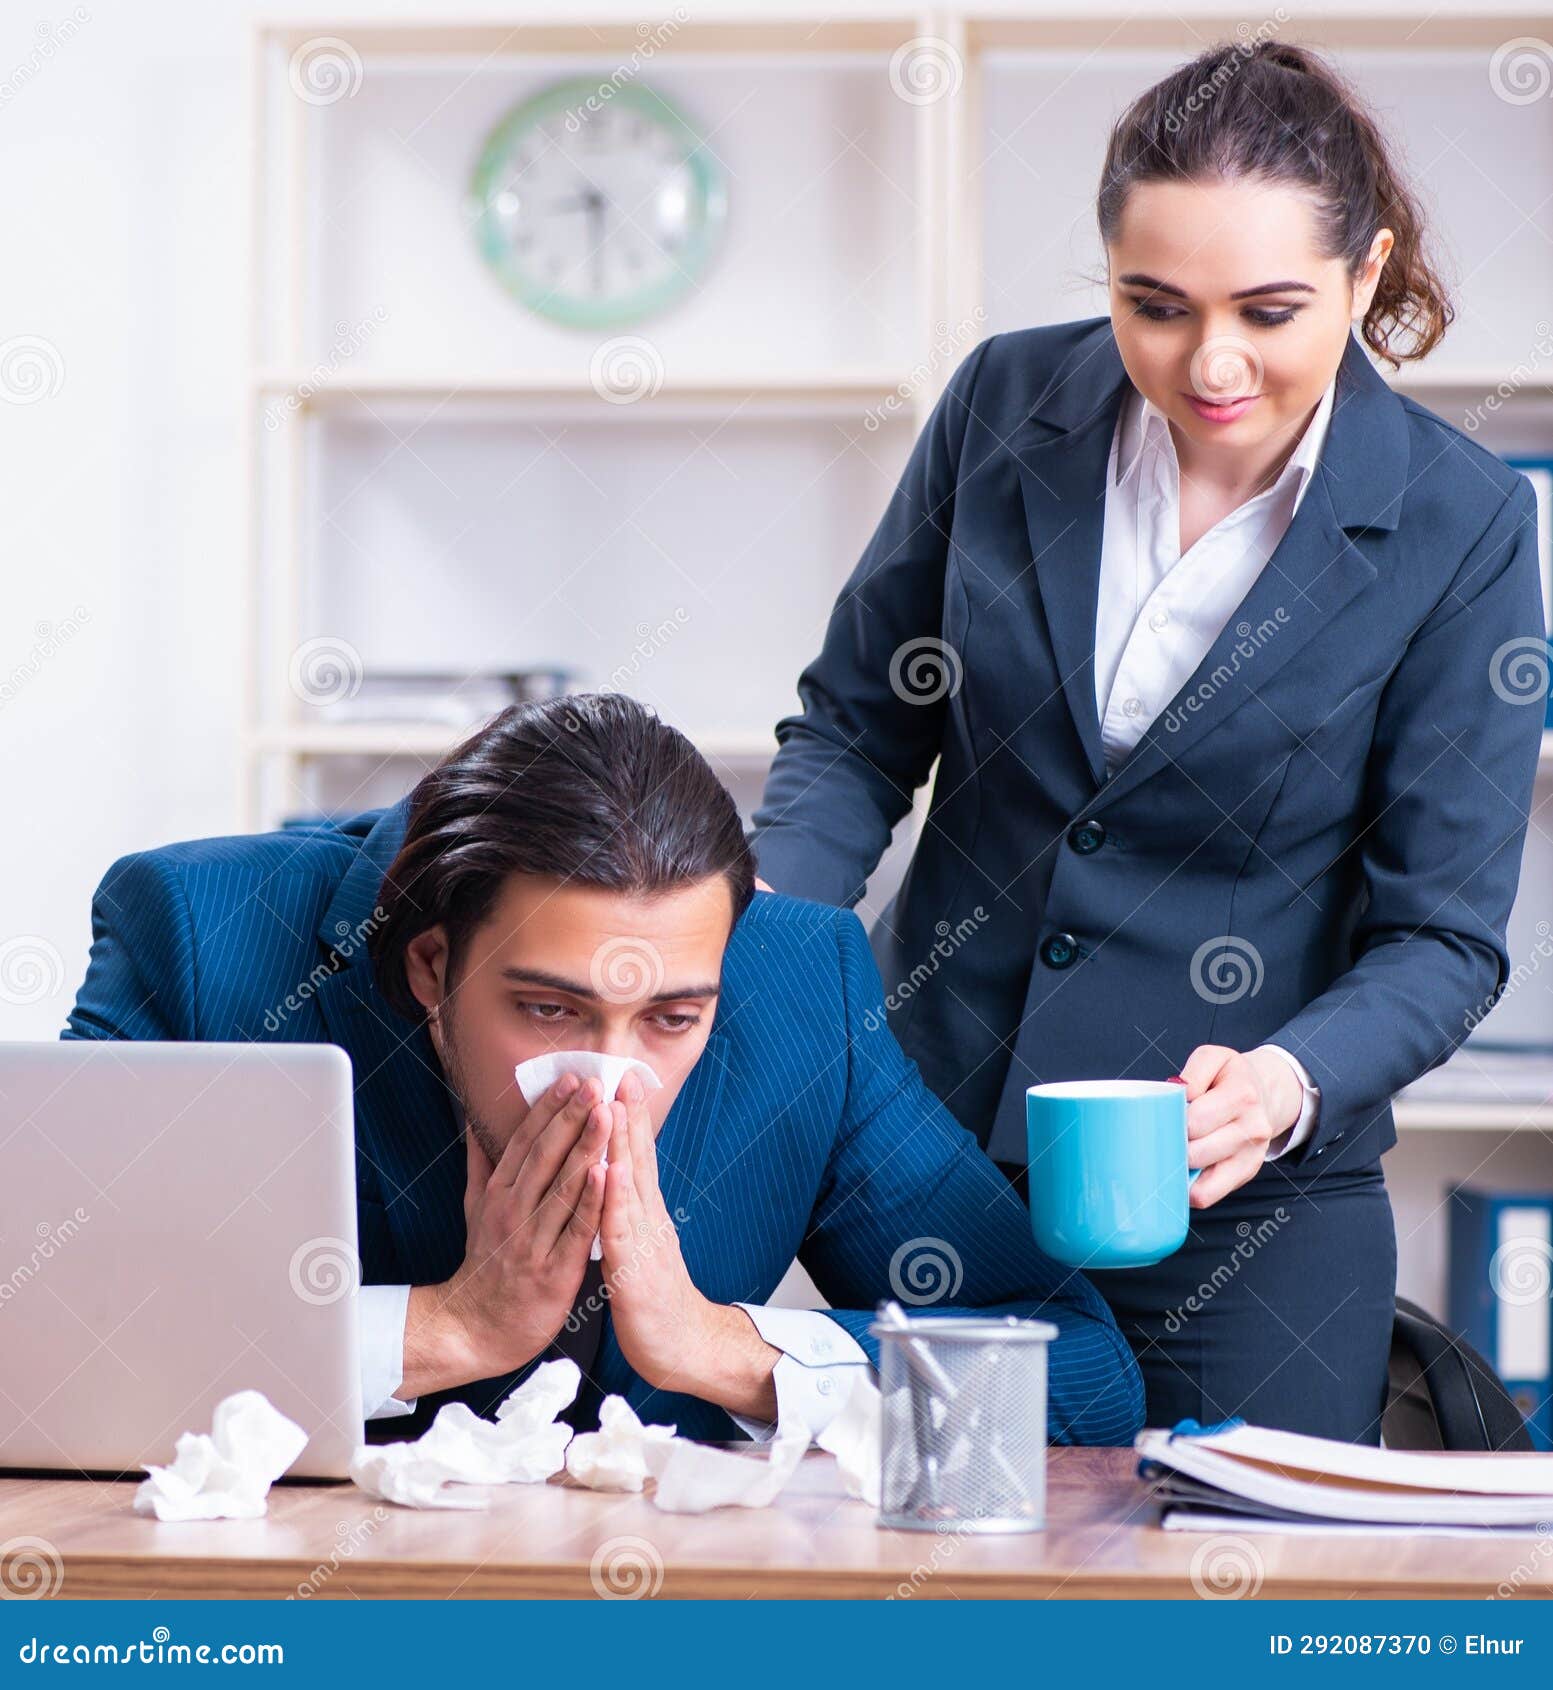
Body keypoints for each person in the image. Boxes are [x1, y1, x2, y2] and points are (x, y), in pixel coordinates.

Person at [750, 40, 1547, 1443]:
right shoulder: (1004, 408)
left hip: (1243, 1204)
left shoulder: (1459, 520)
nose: (1212, 361)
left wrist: (1286, 1082)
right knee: (934, 1589)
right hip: (931, 1143)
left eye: (1271, 308)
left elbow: (1444, 936)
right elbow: (858, 732)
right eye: (1155, 306)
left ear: (1364, 277)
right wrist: (755, 947)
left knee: (1217, 1624)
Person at [63, 693, 1143, 1448]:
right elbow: (54, 1342)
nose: (608, 1079)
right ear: (432, 964)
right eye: (548, 1008)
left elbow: (1081, 1373)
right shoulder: (201, 941)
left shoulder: (800, 986)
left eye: (671, 1017)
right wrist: (447, 1326)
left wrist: (719, 1346)